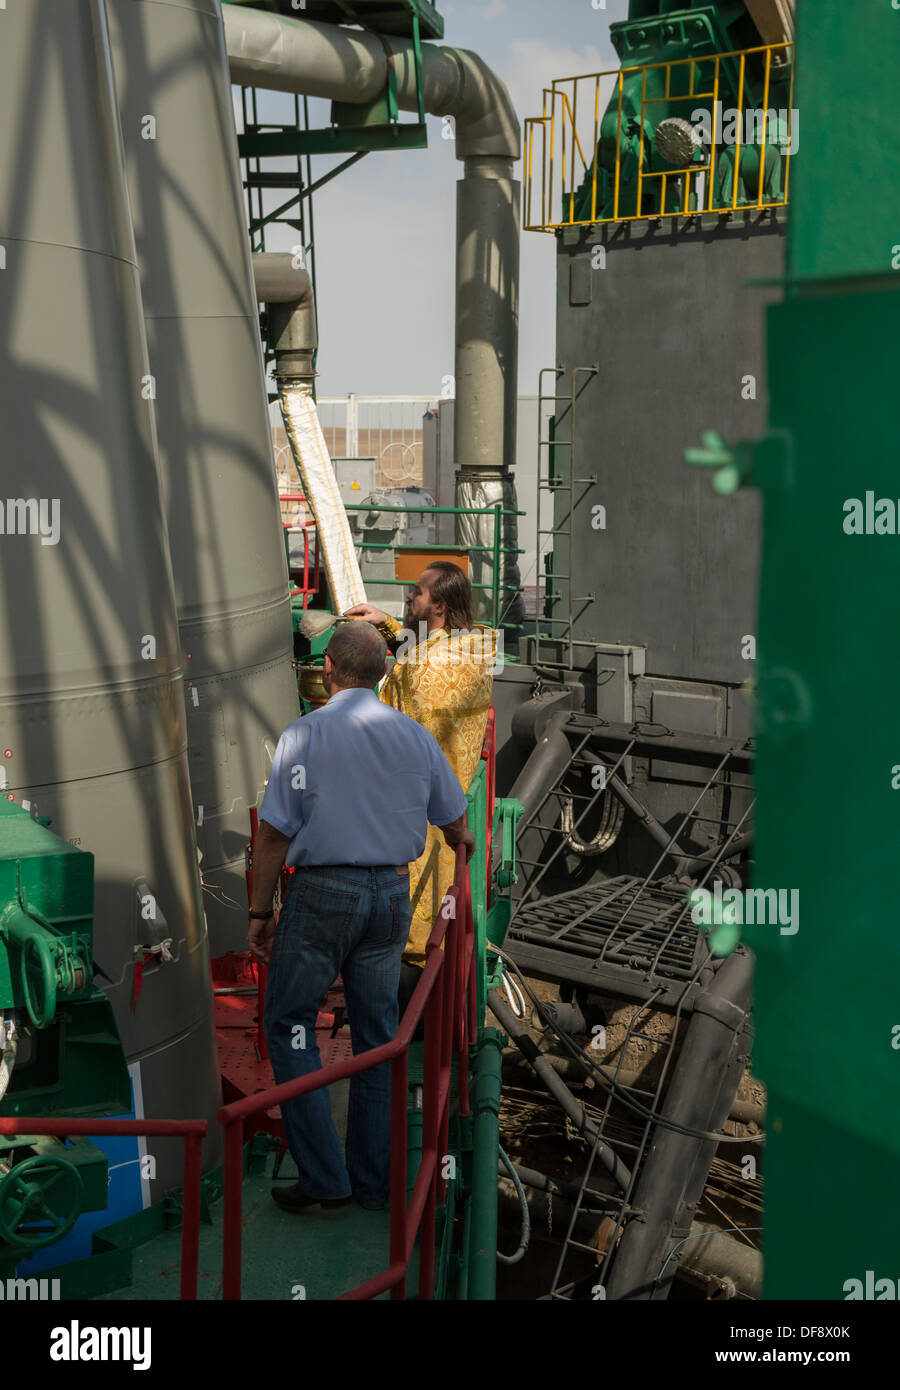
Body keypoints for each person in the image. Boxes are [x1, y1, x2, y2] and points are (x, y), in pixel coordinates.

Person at [248, 621, 475, 1213]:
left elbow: (273, 835)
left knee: (290, 1025)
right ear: (384, 672)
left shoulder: (304, 735)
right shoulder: (414, 737)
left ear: (327, 670)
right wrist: (461, 850)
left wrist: (259, 912)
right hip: (391, 897)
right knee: (379, 1039)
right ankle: (374, 1183)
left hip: (323, 894)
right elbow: (455, 820)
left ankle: (324, 1178)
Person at [344, 563, 496, 1011]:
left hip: (416, 818)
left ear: (439, 605)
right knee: (436, 919)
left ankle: (408, 1022)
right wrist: (388, 624)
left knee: (412, 927)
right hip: (448, 810)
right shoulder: (474, 647)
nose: (409, 597)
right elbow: (431, 649)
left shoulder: (420, 671)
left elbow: (385, 734)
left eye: (417, 592)